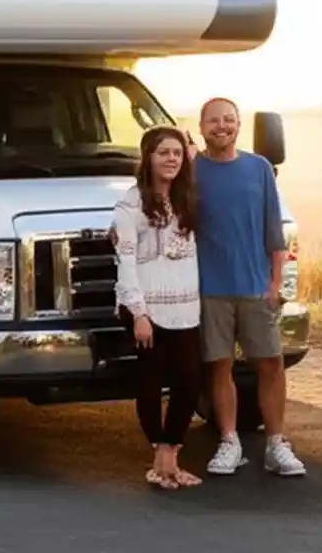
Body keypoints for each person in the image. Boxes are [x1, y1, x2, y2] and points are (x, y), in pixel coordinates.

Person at [195, 97, 306, 477]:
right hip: (211, 289)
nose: (221, 126)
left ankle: (277, 444)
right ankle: (229, 441)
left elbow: (275, 232)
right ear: (201, 127)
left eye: (228, 119)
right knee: (218, 366)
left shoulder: (258, 168)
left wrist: (275, 284)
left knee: (271, 364)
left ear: (239, 125)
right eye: (213, 121)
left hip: (256, 286)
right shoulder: (191, 171)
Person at [113, 126, 204, 490]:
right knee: (150, 382)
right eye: (163, 152)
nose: (170, 159)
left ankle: (171, 458)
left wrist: (193, 149)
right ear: (148, 157)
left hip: (186, 307)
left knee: (189, 381)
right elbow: (126, 262)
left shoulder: (187, 200)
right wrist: (139, 313)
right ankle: (160, 458)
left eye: (177, 154)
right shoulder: (130, 205)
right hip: (146, 309)